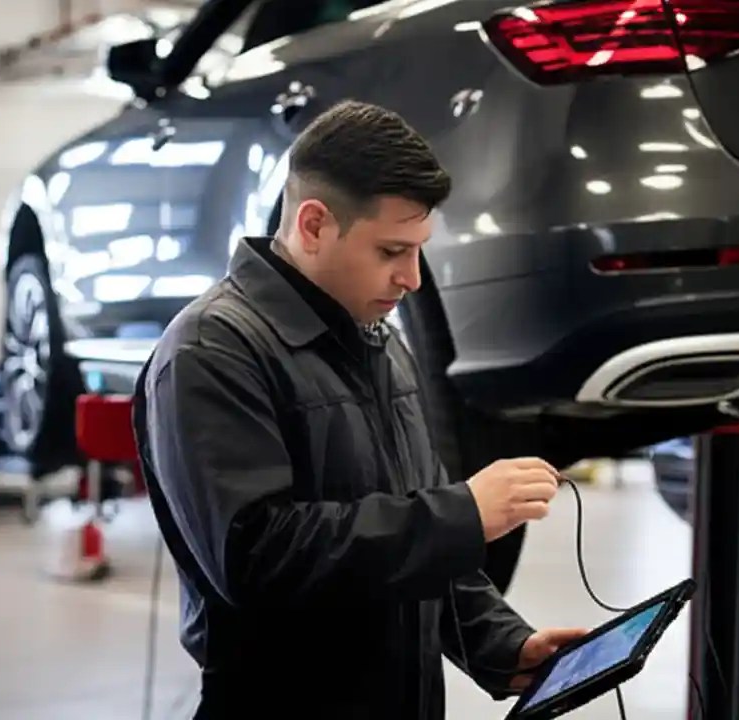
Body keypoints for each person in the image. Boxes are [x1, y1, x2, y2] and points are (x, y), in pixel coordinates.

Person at [131, 100, 588, 719]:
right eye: (392, 251)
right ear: (314, 225)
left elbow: (415, 536)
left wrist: (503, 644)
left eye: (419, 251)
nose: (413, 278)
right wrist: (463, 514)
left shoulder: (381, 342)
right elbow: (257, 558)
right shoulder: (212, 351)